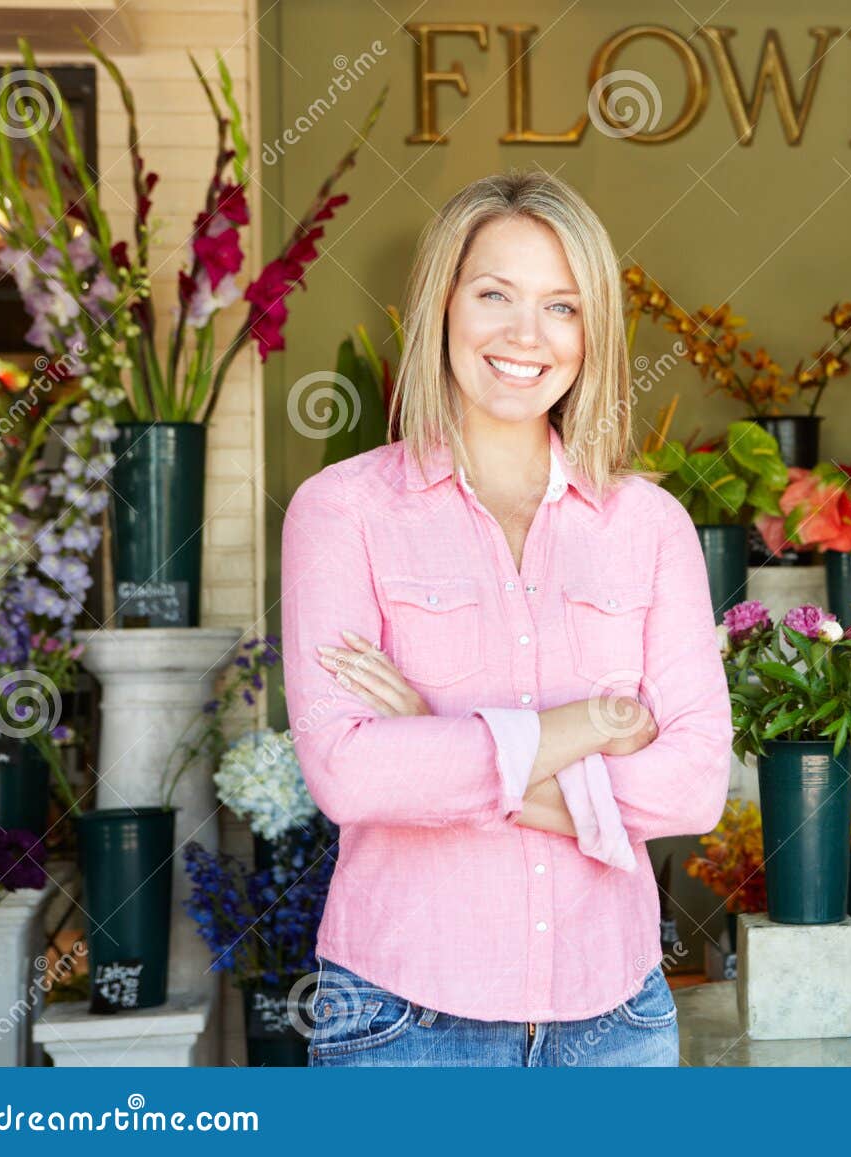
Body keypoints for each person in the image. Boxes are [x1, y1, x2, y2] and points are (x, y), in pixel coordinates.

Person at [279, 171, 732, 1067]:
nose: (526, 336)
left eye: (562, 306)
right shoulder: (343, 511)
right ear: (441, 303)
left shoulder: (648, 526)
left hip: (617, 1017)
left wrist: (435, 736)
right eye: (495, 295)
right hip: (403, 1020)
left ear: (592, 330)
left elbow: (693, 785)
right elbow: (351, 775)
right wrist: (576, 729)